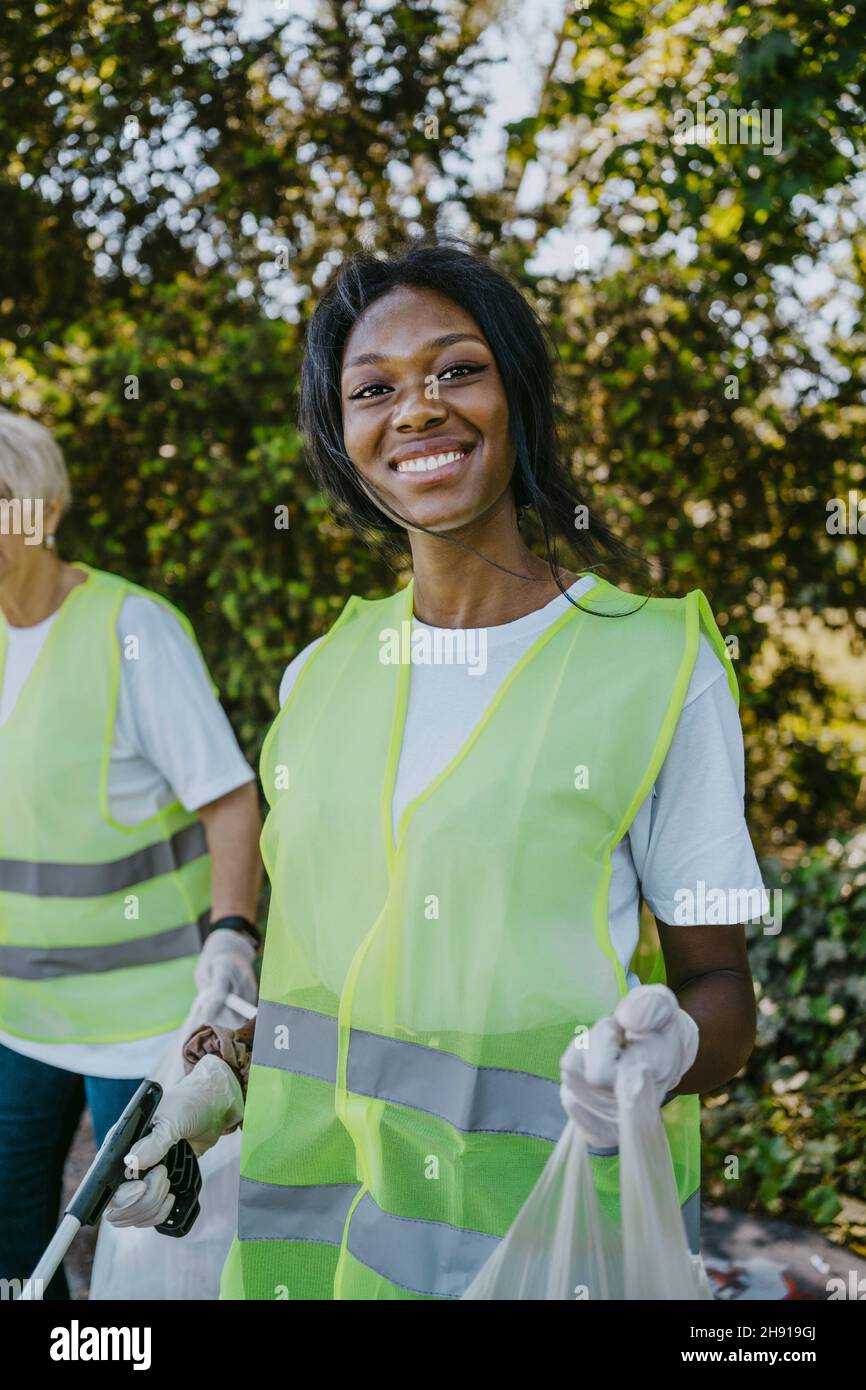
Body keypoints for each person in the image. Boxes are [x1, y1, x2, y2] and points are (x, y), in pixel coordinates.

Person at [112, 240, 765, 1301]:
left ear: (516, 392)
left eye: (456, 369)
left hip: (545, 1257)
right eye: (372, 389)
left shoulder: (655, 664)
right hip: (319, 1267)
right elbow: (331, 985)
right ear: (342, 437)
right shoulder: (320, 674)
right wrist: (221, 1073)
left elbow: (722, 990)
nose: (415, 408)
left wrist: (661, 1056)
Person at [0, 409, 262, 1299]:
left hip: (141, 1024)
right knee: (12, 1250)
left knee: (143, 1245)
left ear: (47, 509)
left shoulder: (132, 631)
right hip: (15, 1019)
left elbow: (230, 800)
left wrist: (234, 931)